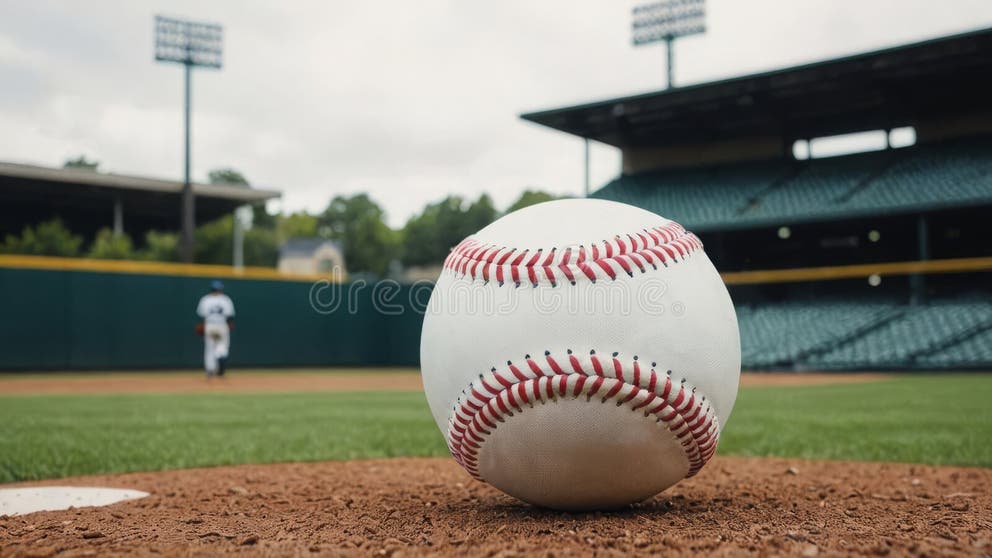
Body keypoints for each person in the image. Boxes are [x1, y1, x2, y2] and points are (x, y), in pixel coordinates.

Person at [195, 280, 235, 378]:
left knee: (210, 348)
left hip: (210, 326)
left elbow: (202, 315)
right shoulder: (226, 299)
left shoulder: (205, 299)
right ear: (221, 289)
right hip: (222, 325)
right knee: (222, 346)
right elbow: (230, 316)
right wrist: (230, 325)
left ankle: (210, 370)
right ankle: (221, 361)